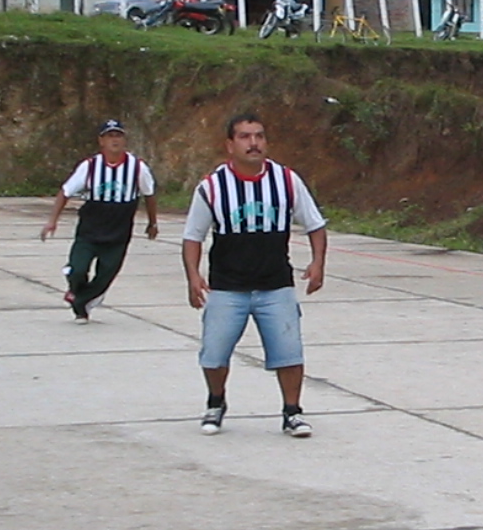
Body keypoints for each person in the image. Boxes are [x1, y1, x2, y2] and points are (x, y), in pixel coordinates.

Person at [182, 113, 327, 438]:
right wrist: (193, 276)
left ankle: (292, 412)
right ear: (229, 145)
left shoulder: (287, 181)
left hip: (275, 283)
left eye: (259, 136)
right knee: (214, 353)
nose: (254, 143)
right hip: (227, 286)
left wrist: (318, 263)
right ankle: (216, 402)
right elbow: (193, 236)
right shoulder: (212, 187)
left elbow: (315, 224)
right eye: (245, 137)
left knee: (289, 351)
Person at [40, 119, 158, 323]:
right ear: (101, 141)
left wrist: (152, 222)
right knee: (77, 269)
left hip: (118, 232)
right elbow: (65, 192)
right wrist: (52, 221)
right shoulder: (90, 167)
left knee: (105, 275)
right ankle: (78, 295)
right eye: (110, 136)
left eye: (118, 135)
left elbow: (149, 194)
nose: (115, 140)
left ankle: (80, 305)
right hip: (90, 229)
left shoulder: (137, 167)